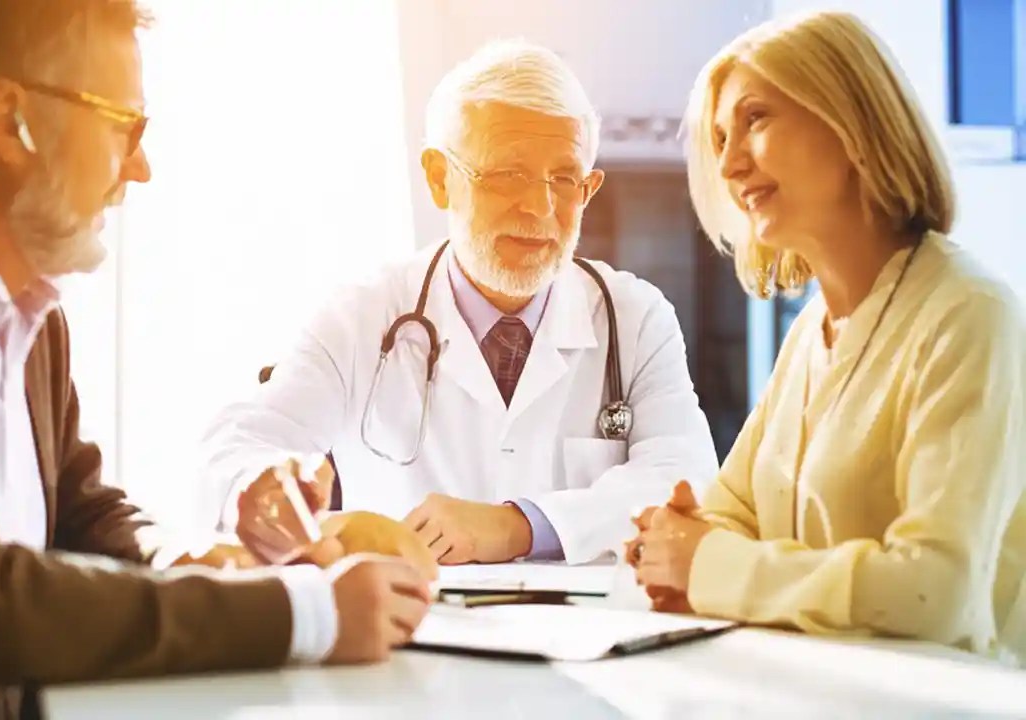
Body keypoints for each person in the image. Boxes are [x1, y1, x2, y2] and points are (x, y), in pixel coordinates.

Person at [0, 2, 428, 717]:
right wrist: (303, 615)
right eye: (123, 125)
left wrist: (187, 559)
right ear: (13, 120)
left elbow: (85, 515)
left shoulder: (26, 306)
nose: (141, 165)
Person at [204, 40, 719, 568]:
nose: (540, 208)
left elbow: (685, 478)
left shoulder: (634, 317)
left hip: (595, 636)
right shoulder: (361, 315)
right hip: (412, 627)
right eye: (508, 174)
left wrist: (518, 525)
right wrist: (263, 487)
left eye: (564, 179)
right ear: (438, 177)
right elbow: (246, 442)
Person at [627, 10, 1025, 665]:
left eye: (755, 119)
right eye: (720, 135)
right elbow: (731, 515)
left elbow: (938, 594)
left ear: (852, 124)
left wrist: (712, 565)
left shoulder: (969, 315)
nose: (728, 163)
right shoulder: (814, 331)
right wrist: (680, 541)